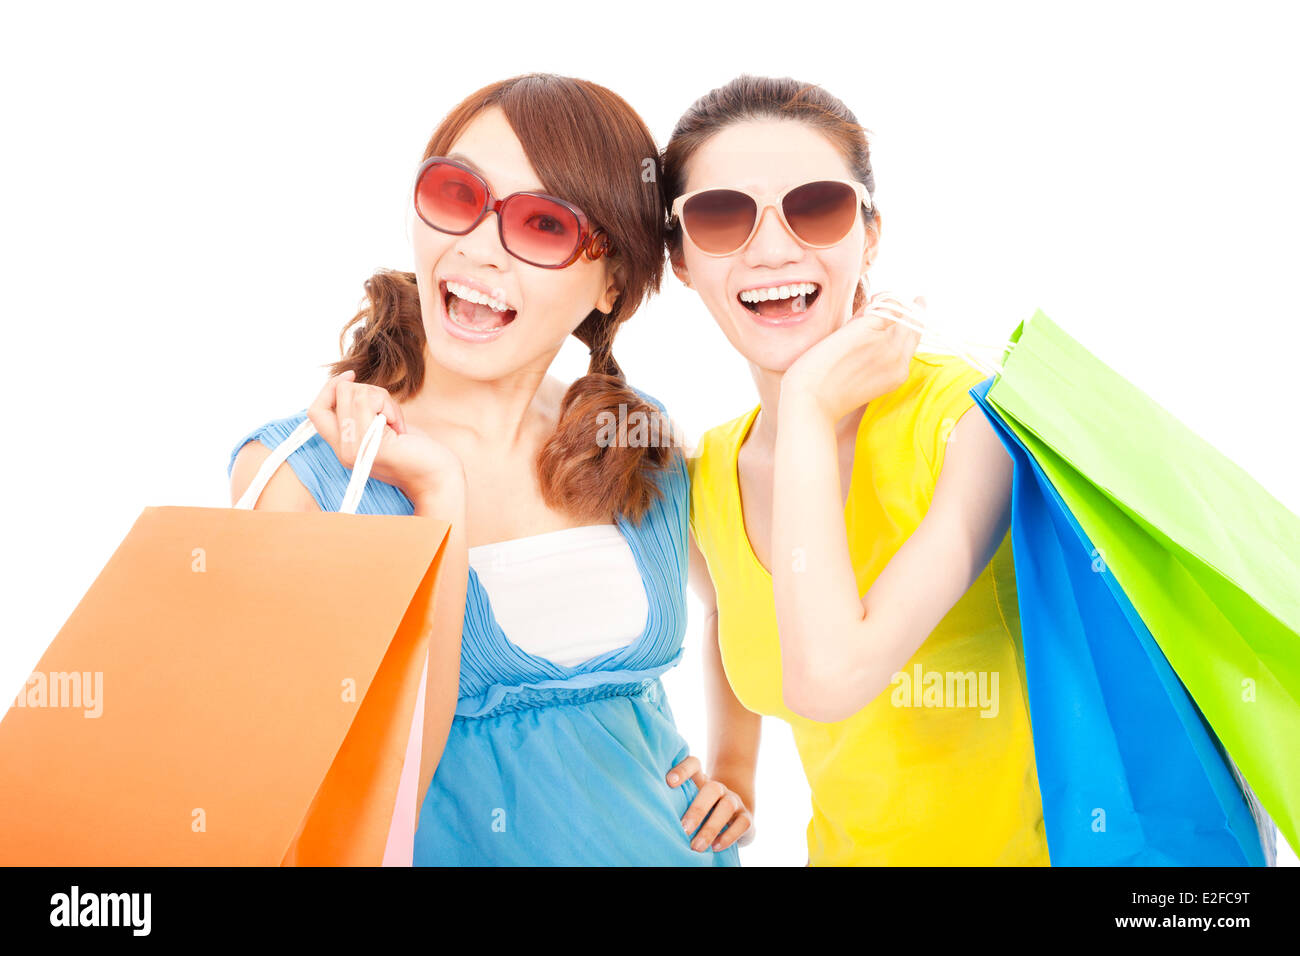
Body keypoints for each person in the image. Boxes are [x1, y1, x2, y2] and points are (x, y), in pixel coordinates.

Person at [228, 73, 748, 865]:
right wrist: (437, 495)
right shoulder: (308, 475)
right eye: (456, 192)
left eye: (543, 224)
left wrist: (737, 765)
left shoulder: (636, 439)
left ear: (613, 283)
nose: (476, 246)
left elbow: (740, 602)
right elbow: (364, 794)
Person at [665, 74, 1050, 865]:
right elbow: (724, 616)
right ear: (678, 259)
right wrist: (735, 767)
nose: (772, 248)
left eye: (816, 206)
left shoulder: (969, 426)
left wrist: (806, 404)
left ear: (870, 234)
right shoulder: (705, 476)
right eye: (720, 215)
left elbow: (831, 675)